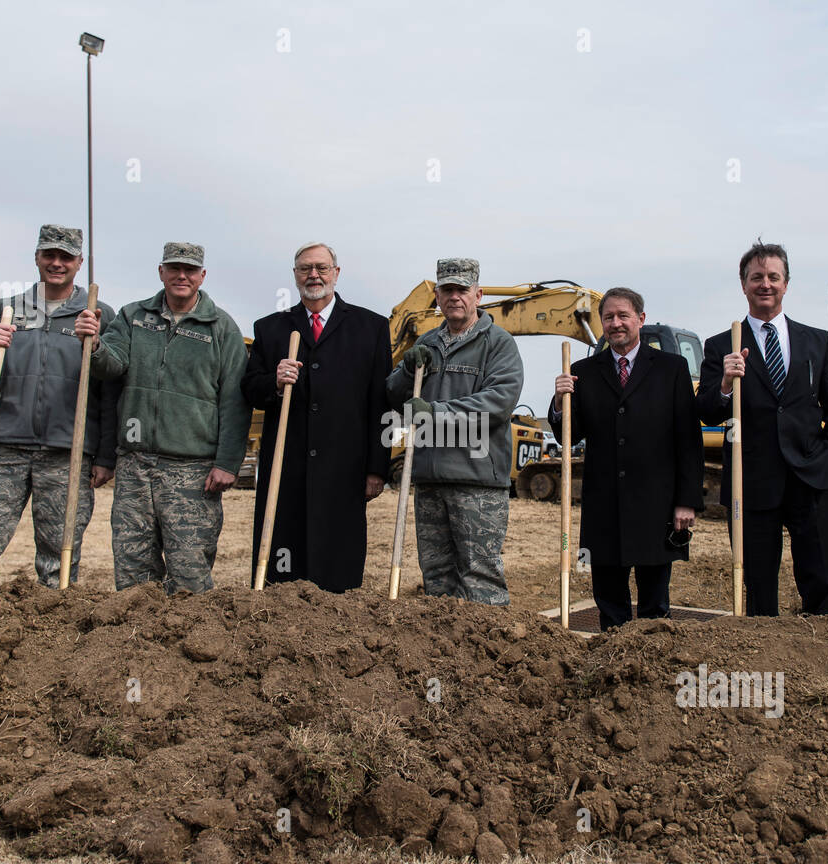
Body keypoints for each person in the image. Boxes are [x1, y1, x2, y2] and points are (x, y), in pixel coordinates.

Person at [75, 242, 251, 594]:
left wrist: (227, 463)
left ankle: (192, 644)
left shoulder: (222, 328)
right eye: (174, 268)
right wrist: (94, 345)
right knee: (133, 571)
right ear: (161, 272)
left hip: (192, 471)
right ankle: (138, 647)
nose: (181, 275)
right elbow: (111, 365)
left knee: (189, 574)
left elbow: (235, 401)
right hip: (135, 466)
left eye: (189, 270)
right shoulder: (133, 317)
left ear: (202, 276)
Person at [0, 224, 120, 587]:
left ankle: (52, 634)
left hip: (67, 453)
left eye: (66, 257)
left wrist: (106, 456)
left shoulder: (99, 315)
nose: (56, 263)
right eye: (49, 255)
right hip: (2, 448)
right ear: (37, 257)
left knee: (57, 556)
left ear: (79, 262)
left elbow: (112, 384)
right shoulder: (6, 309)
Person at [697, 240, 828, 616]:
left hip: (812, 478)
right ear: (743, 284)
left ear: (786, 284)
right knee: (759, 582)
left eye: (773, 277)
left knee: (822, 577)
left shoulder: (818, 342)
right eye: (756, 277)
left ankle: (827, 653)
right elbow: (706, 412)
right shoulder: (722, 345)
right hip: (752, 481)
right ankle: (764, 662)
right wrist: (724, 385)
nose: (764, 284)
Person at [550, 287, 703, 630]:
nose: (616, 323)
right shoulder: (582, 371)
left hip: (657, 505)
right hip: (604, 506)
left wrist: (686, 502)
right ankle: (610, 665)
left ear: (641, 320)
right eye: (609, 317)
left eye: (623, 316)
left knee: (654, 604)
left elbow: (688, 440)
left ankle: (653, 666)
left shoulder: (671, 369)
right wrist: (560, 403)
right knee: (610, 603)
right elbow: (569, 436)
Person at [241, 242, 391, 591]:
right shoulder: (270, 329)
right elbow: (250, 389)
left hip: (344, 470)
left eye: (322, 268)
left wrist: (376, 468)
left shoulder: (371, 328)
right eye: (305, 268)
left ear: (336, 273)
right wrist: (275, 383)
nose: (314, 275)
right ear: (294, 276)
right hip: (287, 468)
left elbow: (380, 404)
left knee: (337, 562)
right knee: (283, 561)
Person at [385, 257, 524, 605]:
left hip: (476, 481)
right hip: (430, 479)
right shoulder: (427, 343)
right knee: (436, 580)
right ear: (437, 295)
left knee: (480, 578)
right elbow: (392, 394)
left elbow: (498, 402)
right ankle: (445, 658)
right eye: (447, 290)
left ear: (478, 294)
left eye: (462, 290)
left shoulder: (498, 344)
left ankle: (488, 656)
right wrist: (406, 368)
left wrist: (434, 413)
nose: (454, 297)